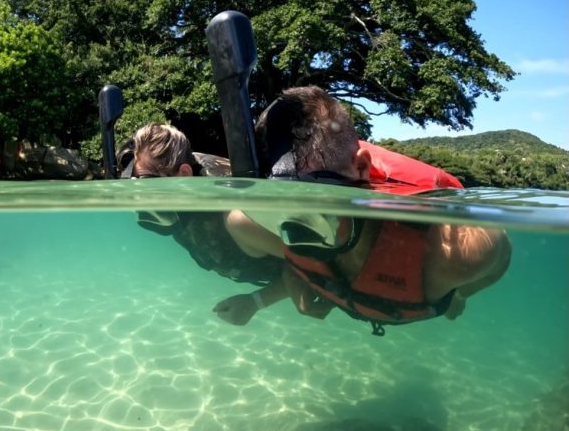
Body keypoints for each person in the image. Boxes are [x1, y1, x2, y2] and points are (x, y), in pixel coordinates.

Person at [219, 86, 512, 334]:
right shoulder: (247, 224)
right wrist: (267, 293)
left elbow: (499, 260)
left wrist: (458, 295)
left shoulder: (455, 255)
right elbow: (303, 251)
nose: (291, 230)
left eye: (316, 204)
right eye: (276, 211)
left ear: (361, 168)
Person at [125, 123, 285, 293]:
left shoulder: (237, 216)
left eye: (149, 184)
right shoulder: (178, 209)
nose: (143, 200)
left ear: (185, 174)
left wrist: (258, 302)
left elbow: (306, 262)